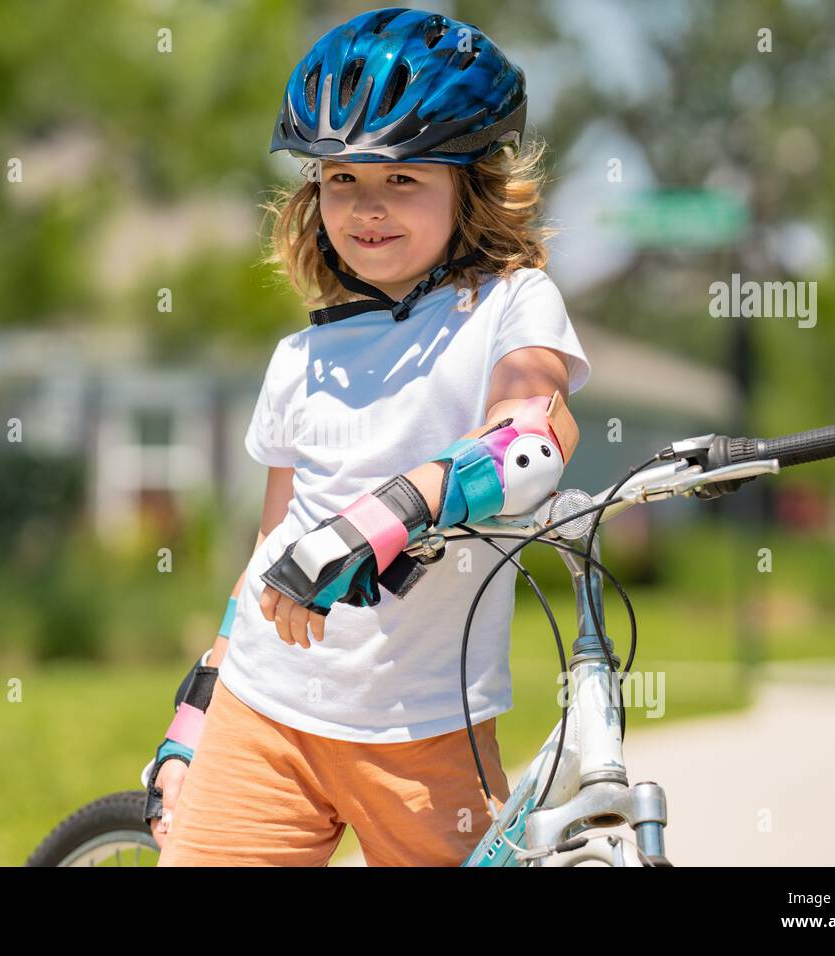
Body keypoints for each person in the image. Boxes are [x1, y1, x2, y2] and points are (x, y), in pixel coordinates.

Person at [144, 6, 591, 867]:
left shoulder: (509, 304)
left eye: (404, 181)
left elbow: (529, 441)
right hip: (264, 715)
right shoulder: (301, 354)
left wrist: (377, 522)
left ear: (472, 186)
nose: (367, 210)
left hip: (424, 735)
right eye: (342, 180)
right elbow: (270, 544)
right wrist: (195, 714)